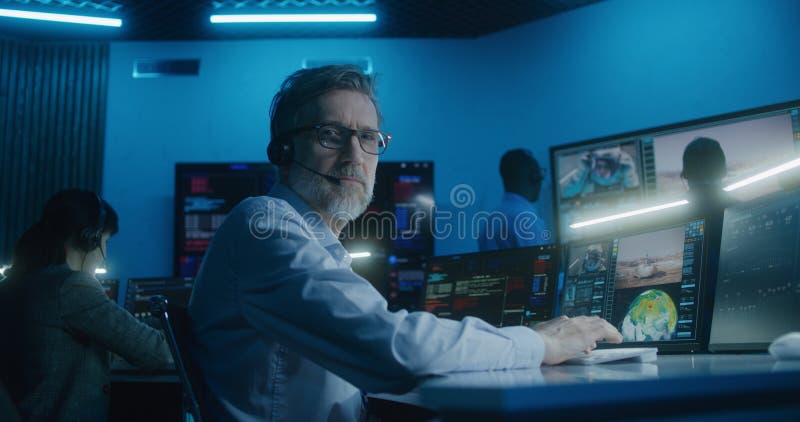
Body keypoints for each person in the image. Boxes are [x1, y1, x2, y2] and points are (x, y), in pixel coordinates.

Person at [188, 65, 622, 422]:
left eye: (368, 138)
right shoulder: (263, 224)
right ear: (282, 152)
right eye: (331, 134)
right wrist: (540, 344)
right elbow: (399, 349)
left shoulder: (319, 245)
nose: (354, 156)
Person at [0, 189, 171, 421]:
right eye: (106, 241)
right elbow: (156, 352)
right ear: (91, 239)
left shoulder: (12, 283)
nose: (104, 253)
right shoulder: (71, 286)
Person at [477, 149, 550, 251]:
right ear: (534, 177)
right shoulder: (527, 220)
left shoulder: (489, 221)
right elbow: (542, 259)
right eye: (540, 174)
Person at [561, 146, 640, 199]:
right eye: (599, 166)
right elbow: (568, 194)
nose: (602, 171)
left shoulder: (624, 173)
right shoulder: (585, 177)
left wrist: (629, 173)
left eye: (606, 167)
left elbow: (635, 195)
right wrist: (582, 171)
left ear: (614, 165)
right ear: (593, 164)